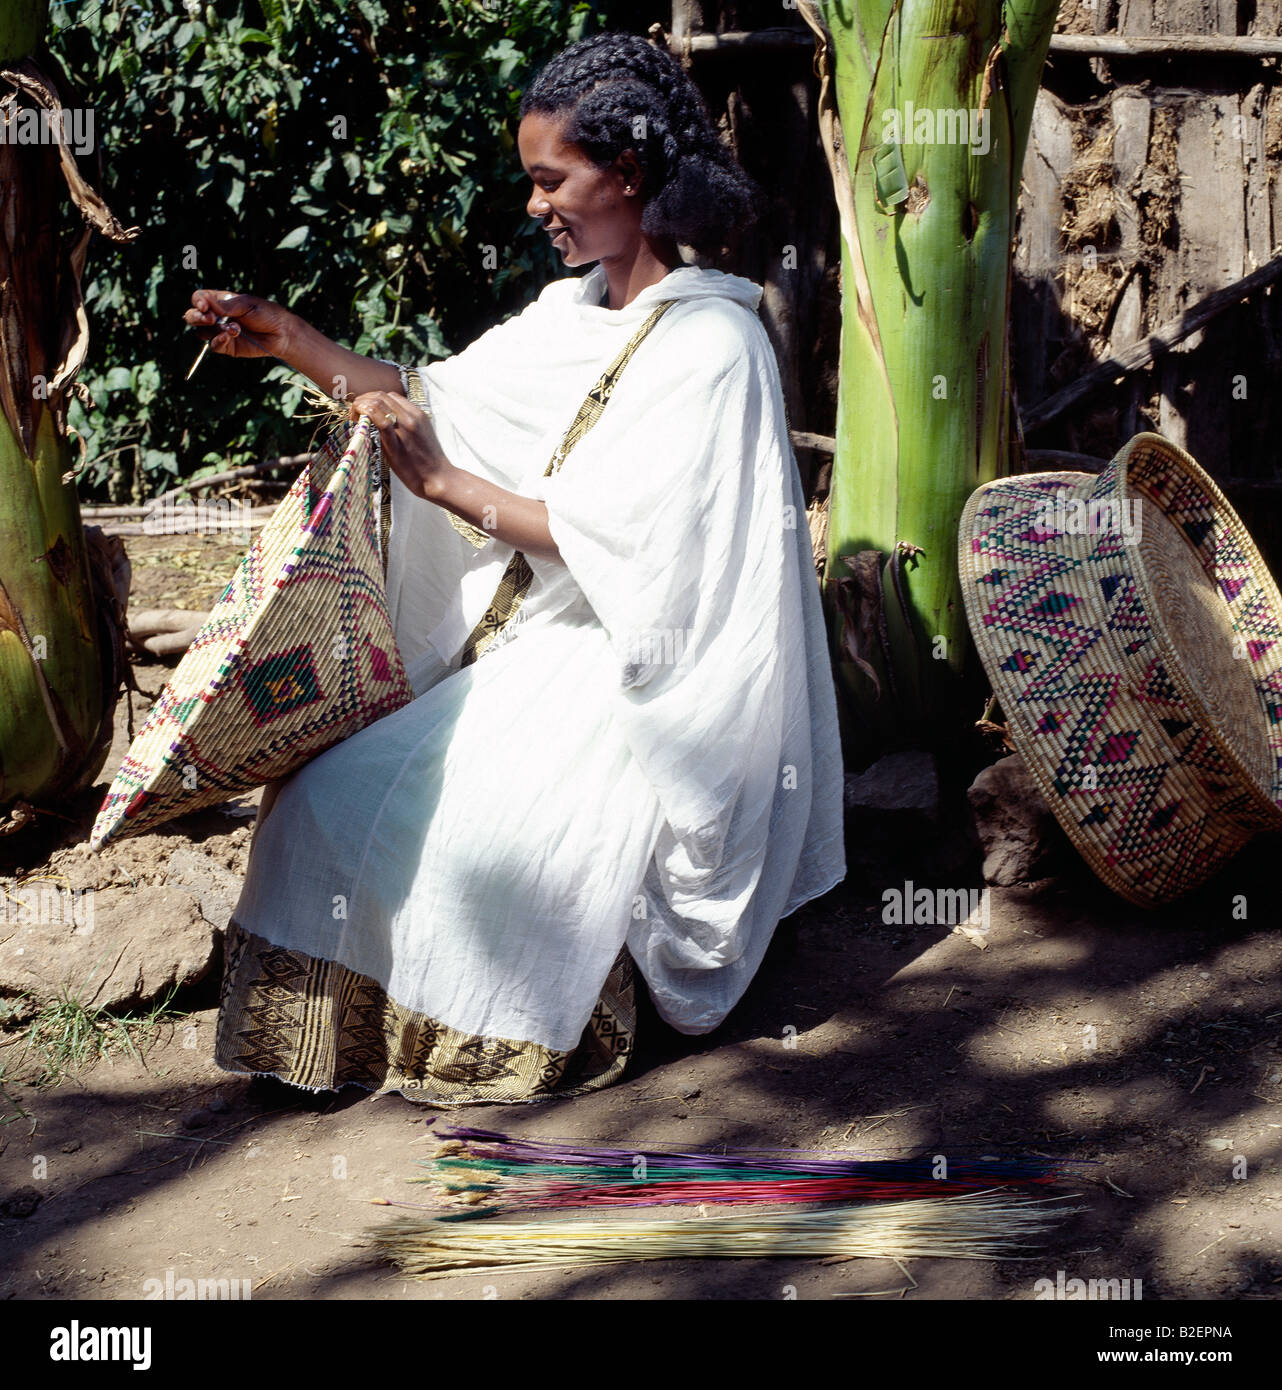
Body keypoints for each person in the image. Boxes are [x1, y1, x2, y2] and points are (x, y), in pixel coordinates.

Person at [185, 30, 845, 1107]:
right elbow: (433, 395)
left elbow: (634, 547)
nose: (537, 205)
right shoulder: (567, 315)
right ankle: (343, 1037)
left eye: (553, 180)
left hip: (642, 671)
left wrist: (443, 485)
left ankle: (541, 1025)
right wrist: (292, 340)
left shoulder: (715, 347)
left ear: (627, 174)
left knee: (507, 851)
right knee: (319, 801)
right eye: (531, 180)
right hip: (541, 643)